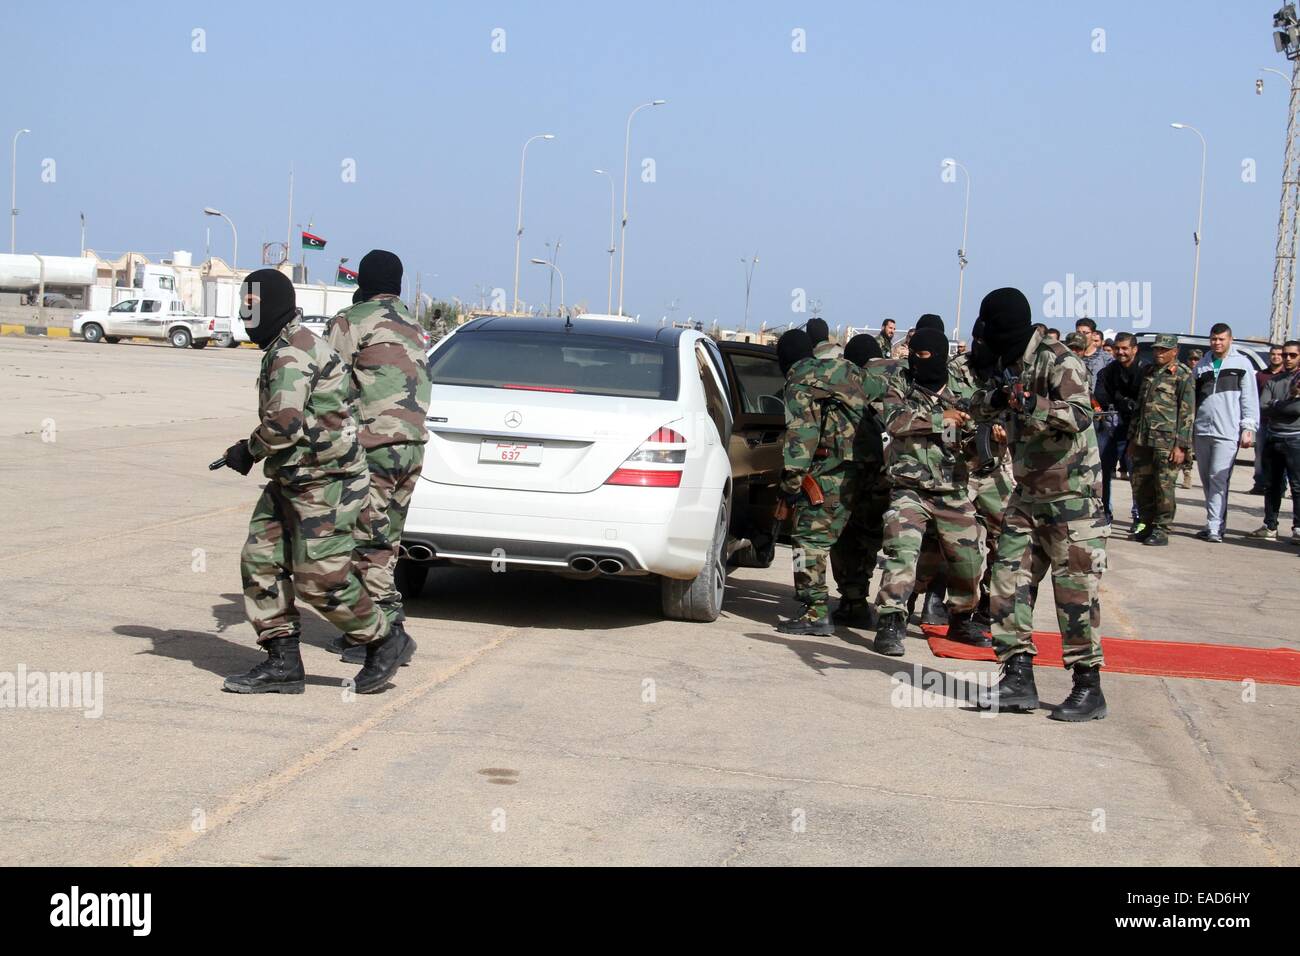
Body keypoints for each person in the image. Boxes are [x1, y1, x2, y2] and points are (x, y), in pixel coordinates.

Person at [217, 269, 413, 696]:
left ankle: (383, 639)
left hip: (325, 481)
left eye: (249, 306)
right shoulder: (287, 344)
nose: (243, 315)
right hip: (293, 476)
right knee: (260, 562)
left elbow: (283, 426)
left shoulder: (292, 353)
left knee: (319, 578)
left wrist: (245, 451)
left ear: (268, 305)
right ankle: (282, 662)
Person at [972, 288, 1109, 721]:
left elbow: (1080, 414)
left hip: (1072, 500)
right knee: (1007, 584)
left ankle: (1088, 687)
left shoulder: (1057, 358)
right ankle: (1017, 678)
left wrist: (1035, 404)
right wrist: (991, 401)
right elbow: (974, 407)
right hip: (1027, 495)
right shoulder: (1003, 364)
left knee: (1075, 598)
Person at [324, 250, 433, 665]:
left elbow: (324, 380)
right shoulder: (413, 324)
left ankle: (389, 634)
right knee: (386, 541)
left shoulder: (352, 321)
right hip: (412, 448)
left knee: (364, 541)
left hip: (373, 447)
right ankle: (367, 632)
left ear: (362, 282)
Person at [871, 328, 989, 655]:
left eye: (923, 355)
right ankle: (892, 619)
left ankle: (962, 618)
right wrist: (941, 418)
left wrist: (990, 444)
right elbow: (895, 421)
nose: (916, 360)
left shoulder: (962, 393)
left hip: (952, 489)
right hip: (909, 488)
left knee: (969, 558)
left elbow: (971, 448)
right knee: (901, 550)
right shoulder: (899, 384)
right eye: (913, 353)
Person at [776, 329, 864, 635]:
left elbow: (801, 439)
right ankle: (856, 604)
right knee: (851, 537)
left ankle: (815, 612)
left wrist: (790, 487)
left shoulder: (799, 378)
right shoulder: (845, 369)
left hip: (831, 469)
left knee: (807, 540)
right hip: (870, 468)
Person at [829, 334, 891, 625]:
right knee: (875, 538)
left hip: (850, 472)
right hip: (889, 475)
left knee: (846, 538)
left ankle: (852, 600)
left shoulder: (847, 382)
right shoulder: (895, 381)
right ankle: (884, 607)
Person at [1191, 324, 1258, 542]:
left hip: (1227, 431)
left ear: (1230, 339)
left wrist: (1248, 427)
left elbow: (1249, 398)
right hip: (1202, 430)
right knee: (1207, 480)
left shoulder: (1242, 364)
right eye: (1213, 339)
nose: (1217, 343)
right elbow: (1192, 398)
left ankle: (1214, 528)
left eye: (1221, 339)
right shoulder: (1202, 365)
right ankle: (1215, 521)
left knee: (1218, 478)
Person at [1128, 334, 1195, 547]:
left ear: (1175, 351)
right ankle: (1146, 524)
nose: (1159, 353)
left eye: (1164, 350)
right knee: (1141, 484)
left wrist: (1181, 445)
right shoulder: (1148, 372)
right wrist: (1132, 438)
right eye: (1157, 349)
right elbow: (1139, 407)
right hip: (1143, 438)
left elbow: (1187, 413)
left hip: (1166, 442)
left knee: (1163, 486)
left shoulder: (1182, 375)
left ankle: (1162, 528)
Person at [1094, 332, 1145, 530]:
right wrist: (1120, 401)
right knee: (1103, 472)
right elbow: (1101, 393)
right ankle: (1105, 512)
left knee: (1136, 474)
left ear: (1134, 349)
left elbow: (1143, 399)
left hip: (1134, 430)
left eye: (1125, 348)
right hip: (1111, 428)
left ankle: (1139, 516)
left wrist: (1124, 402)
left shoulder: (1144, 370)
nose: (1120, 352)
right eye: (1117, 348)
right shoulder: (1110, 370)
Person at [1251, 341, 1300, 542]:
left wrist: (1277, 405)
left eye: (1292, 355)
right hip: (1273, 437)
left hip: (1295, 440)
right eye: (1285, 355)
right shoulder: (1274, 380)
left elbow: (1297, 410)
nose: (1287, 359)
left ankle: (1298, 527)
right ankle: (1270, 525)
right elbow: (1262, 406)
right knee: (1272, 485)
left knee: (1297, 486)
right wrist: (1286, 403)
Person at [1251, 344, 1285, 494]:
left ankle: (1280, 487)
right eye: (1273, 354)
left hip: (1282, 423)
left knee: (1281, 457)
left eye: (1279, 354)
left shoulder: (1290, 376)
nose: (1276, 357)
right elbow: (1253, 397)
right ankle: (1259, 484)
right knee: (1260, 455)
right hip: (1263, 422)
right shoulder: (1261, 375)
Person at [1075, 317, 1112, 393]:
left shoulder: (1106, 359)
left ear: (1094, 334)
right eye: (1078, 333)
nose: (1081, 336)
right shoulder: (1072, 357)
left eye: (1086, 333)